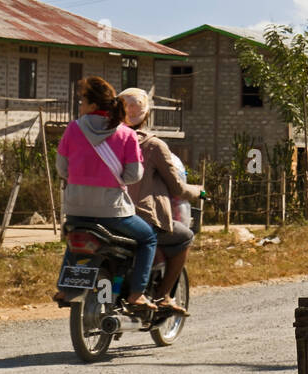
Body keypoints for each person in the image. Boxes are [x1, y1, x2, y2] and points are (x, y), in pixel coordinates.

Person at [56, 76, 158, 313]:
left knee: (75, 241)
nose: (80, 106)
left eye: (82, 102)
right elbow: (134, 175)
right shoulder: (127, 135)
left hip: (75, 208)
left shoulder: (73, 128)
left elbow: (62, 169)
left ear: (93, 106)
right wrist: (114, 178)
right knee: (148, 239)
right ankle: (136, 294)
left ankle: (65, 288)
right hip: (113, 212)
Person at [119, 88, 203, 314]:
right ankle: (163, 295)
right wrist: (198, 192)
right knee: (185, 236)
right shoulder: (153, 145)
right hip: (141, 216)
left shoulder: (107, 140)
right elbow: (177, 187)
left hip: (107, 214)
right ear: (147, 115)